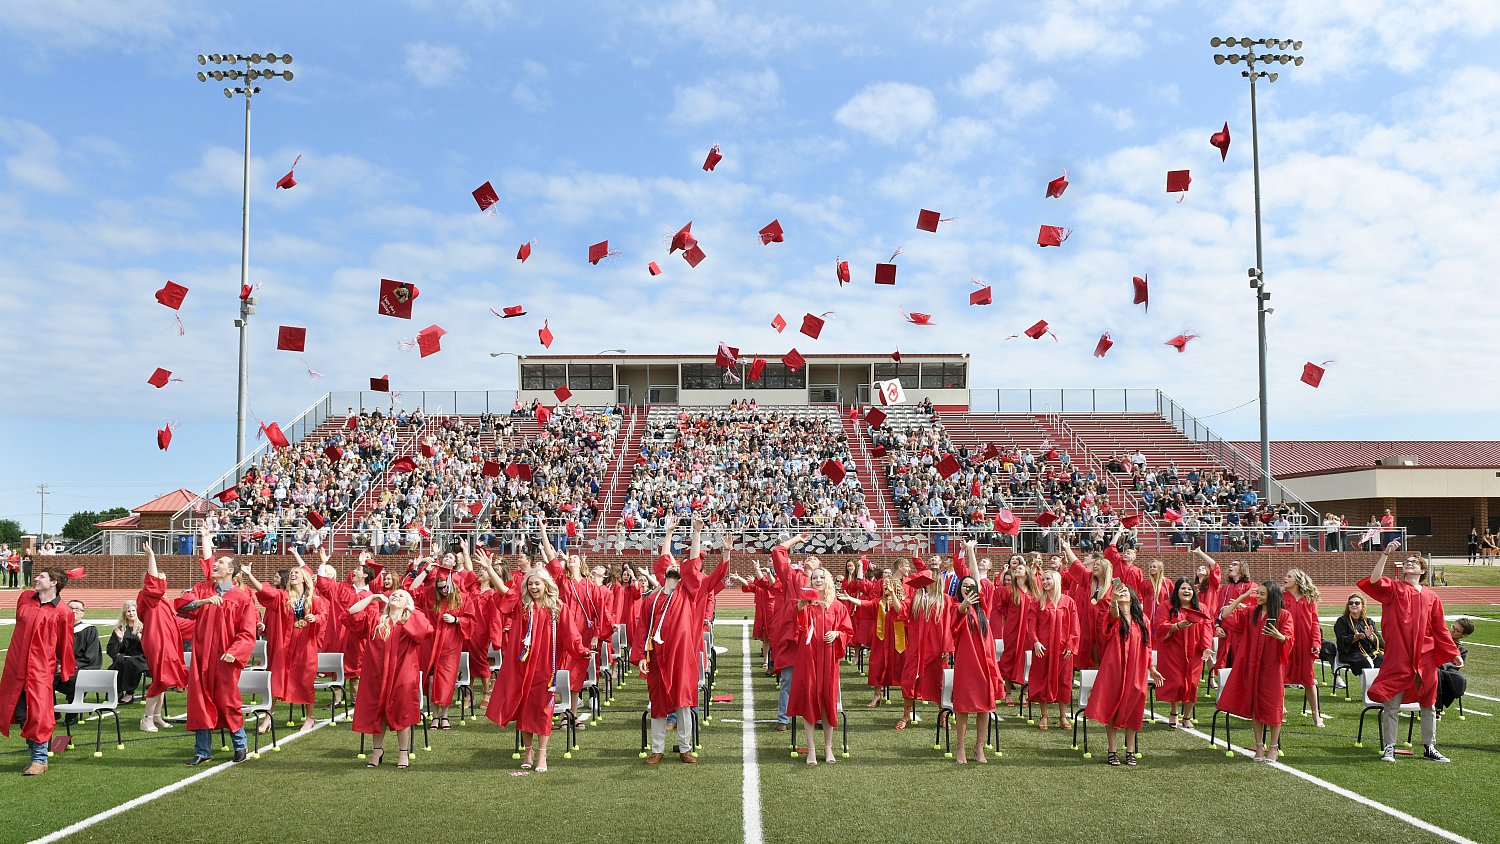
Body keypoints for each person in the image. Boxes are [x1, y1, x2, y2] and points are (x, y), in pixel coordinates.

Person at [1359, 541, 1462, 763]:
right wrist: (1386, 554)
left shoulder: (1431, 596)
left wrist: (1453, 652)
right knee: (1392, 703)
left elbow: (1440, 628)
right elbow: (1374, 580)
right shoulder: (1394, 589)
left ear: (1423, 570)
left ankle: (1429, 746)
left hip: (1425, 655)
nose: (1409, 563)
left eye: (1414, 562)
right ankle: (1389, 746)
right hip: (1399, 655)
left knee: (1428, 702)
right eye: (1406, 561)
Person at [482, 557, 586, 773]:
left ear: (546, 584)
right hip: (522, 666)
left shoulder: (557, 607)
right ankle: (528, 752)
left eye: (537, 583)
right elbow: (503, 591)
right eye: (530, 584)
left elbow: (572, 634)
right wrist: (490, 569)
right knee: (525, 710)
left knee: (543, 710)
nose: (534, 587)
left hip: (546, 667)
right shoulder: (522, 605)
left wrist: (583, 650)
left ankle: (542, 755)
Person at [175, 548, 259, 766]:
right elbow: (183, 606)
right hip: (202, 657)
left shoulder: (242, 598)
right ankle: (203, 751)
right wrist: (205, 602)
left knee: (228, 701)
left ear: (231, 570)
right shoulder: (202, 590)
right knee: (200, 701)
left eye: (220, 562)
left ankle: (240, 745)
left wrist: (234, 651)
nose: (215, 565)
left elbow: (247, 632)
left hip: (225, 658)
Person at [638, 515, 709, 764]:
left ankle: (685, 748)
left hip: (680, 657)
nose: (675, 567)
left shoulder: (687, 593)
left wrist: (696, 533)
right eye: (671, 566)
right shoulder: (652, 599)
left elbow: (693, 564)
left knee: (683, 702)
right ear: (662, 572)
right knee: (657, 703)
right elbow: (642, 630)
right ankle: (657, 749)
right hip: (657, 657)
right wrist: (668, 534)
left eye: (679, 568)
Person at [0, 567, 76, 775]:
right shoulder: (25, 598)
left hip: (40, 668)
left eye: (41, 577)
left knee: (39, 714)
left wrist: (65, 666)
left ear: (53, 583)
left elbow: (65, 642)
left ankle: (40, 759)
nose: (36, 578)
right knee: (20, 711)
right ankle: (35, 754)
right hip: (16, 666)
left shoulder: (63, 612)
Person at [1084, 561, 1159, 767]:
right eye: (1120, 591)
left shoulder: (1142, 619)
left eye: (1126, 591)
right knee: (1114, 708)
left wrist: (1152, 667)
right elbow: (1112, 616)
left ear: (1133, 597)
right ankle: (1112, 750)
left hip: (1137, 669)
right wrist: (1114, 601)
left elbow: (1147, 645)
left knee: (1135, 709)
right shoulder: (1113, 616)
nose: (1122, 592)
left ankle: (1130, 750)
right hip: (1115, 668)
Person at [347, 588, 432, 769]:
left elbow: (426, 630)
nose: (395, 595)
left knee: (402, 711)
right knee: (378, 711)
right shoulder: (376, 620)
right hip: (376, 674)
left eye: (401, 595)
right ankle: (377, 750)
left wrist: (411, 609)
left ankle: (403, 753)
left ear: (407, 603)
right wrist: (373, 597)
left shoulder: (410, 621)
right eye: (394, 594)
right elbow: (351, 613)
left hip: (403, 674)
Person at [242, 561, 325, 732]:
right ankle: (268, 717)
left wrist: (315, 619)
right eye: (292, 573)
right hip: (285, 645)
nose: (293, 575)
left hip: (305, 646)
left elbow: (324, 616)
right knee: (277, 680)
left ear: (305, 579)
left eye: (297, 573)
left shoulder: (314, 599)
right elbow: (264, 591)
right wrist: (250, 575)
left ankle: (310, 717)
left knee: (305, 681)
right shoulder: (283, 597)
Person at [1217, 581, 1293, 763]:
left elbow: (1289, 639)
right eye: (1257, 593)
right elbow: (1226, 615)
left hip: (1272, 667)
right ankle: (1259, 746)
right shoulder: (1251, 612)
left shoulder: (1284, 615)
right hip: (1252, 664)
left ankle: (1273, 747)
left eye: (1262, 594)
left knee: (1274, 706)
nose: (1258, 597)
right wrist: (1243, 597)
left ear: (1272, 596)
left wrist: (1279, 636)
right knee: (1254, 706)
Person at [789, 566, 855, 765]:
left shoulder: (837, 606)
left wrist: (837, 634)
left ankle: (828, 749)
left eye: (821, 576)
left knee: (828, 703)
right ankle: (810, 749)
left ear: (827, 580)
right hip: (808, 660)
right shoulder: (807, 604)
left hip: (828, 661)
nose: (818, 580)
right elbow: (797, 626)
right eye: (814, 577)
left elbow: (848, 632)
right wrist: (801, 606)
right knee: (809, 701)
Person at [946, 541, 999, 763]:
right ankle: (960, 748)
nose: (969, 587)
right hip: (967, 665)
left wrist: (970, 551)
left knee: (984, 707)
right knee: (964, 707)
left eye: (971, 586)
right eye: (964, 586)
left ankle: (979, 748)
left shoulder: (982, 609)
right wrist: (964, 604)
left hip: (986, 664)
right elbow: (952, 621)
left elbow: (976, 576)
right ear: (960, 590)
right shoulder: (954, 607)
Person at [136, 540, 188, 733]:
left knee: (164, 680)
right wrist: (151, 557)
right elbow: (152, 584)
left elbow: (178, 624)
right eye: (159, 579)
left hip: (168, 644)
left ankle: (157, 716)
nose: (162, 584)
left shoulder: (164, 604)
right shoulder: (148, 599)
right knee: (159, 680)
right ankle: (146, 719)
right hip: (157, 643)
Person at [1153, 577, 1211, 728]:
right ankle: (1174, 712)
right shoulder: (1166, 606)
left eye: (1189, 589)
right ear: (1176, 591)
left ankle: (1187, 716)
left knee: (1192, 684)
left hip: (1194, 652)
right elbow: (1159, 625)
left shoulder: (1201, 608)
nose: (1186, 591)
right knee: (1177, 683)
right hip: (1173, 651)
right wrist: (1176, 626)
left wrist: (1206, 647)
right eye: (1183, 588)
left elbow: (1206, 628)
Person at [1030, 567, 1079, 732]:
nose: (1044, 582)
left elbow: (1075, 627)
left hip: (1063, 650)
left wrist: (1071, 646)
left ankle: (1062, 715)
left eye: (1048, 579)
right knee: (1041, 680)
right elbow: (1031, 626)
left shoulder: (1068, 602)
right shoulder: (1037, 602)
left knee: (1064, 682)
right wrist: (1035, 642)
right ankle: (1044, 716)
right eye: (1043, 580)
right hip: (1043, 649)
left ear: (1056, 581)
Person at [1281, 568, 1325, 727]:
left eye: (1289, 576)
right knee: (1280, 677)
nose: (1285, 578)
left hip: (1305, 643)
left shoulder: (1308, 599)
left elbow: (1314, 623)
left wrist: (1316, 642)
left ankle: (1316, 714)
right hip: (1285, 642)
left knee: (1308, 679)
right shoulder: (1281, 597)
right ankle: (1280, 709)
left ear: (1297, 580)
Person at [56, 598, 102, 723]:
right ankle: (52, 712)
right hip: (61, 666)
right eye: (70, 608)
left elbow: (91, 656)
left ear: (82, 613)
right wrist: (57, 664)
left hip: (83, 666)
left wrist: (69, 666)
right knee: (43, 677)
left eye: (77, 609)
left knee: (74, 678)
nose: (73, 611)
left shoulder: (89, 630)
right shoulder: (58, 629)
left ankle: (72, 714)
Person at [106, 600, 149, 705]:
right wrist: (120, 640)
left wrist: (140, 638)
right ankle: (118, 690)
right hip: (125, 656)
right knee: (119, 661)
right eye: (128, 611)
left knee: (131, 662)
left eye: (133, 610)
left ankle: (130, 693)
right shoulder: (121, 628)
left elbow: (150, 647)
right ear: (124, 613)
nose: (131, 613)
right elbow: (112, 649)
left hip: (141, 657)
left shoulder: (144, 627)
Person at [1333, 593, 1383, 673]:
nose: (1353, 605)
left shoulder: (1368, 621)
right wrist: (1355, 637)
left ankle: (1380, 685)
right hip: (1351, 654)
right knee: (1365, 662)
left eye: (1357, 603)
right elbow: (1341, 642)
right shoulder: (1342, 621)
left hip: (1368, 652)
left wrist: (1371, 637)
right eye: (1351, 603)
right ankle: (1367, 685)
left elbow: (1381, 643)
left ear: (1362, 605)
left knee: (1383, 659)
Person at [1437, 619, 1475, 715]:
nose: (1453, 631)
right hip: (1429, 666)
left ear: (1464, 635)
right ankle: (1436, 706)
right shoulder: (1438, 638)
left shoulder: (1462, 649)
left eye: (1457, 631)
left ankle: (1438, 706)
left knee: (1459, 678)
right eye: (1453, 627)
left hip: (1445, 671)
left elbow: (1455, 665)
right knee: (1436, 673)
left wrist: (1441, 665)